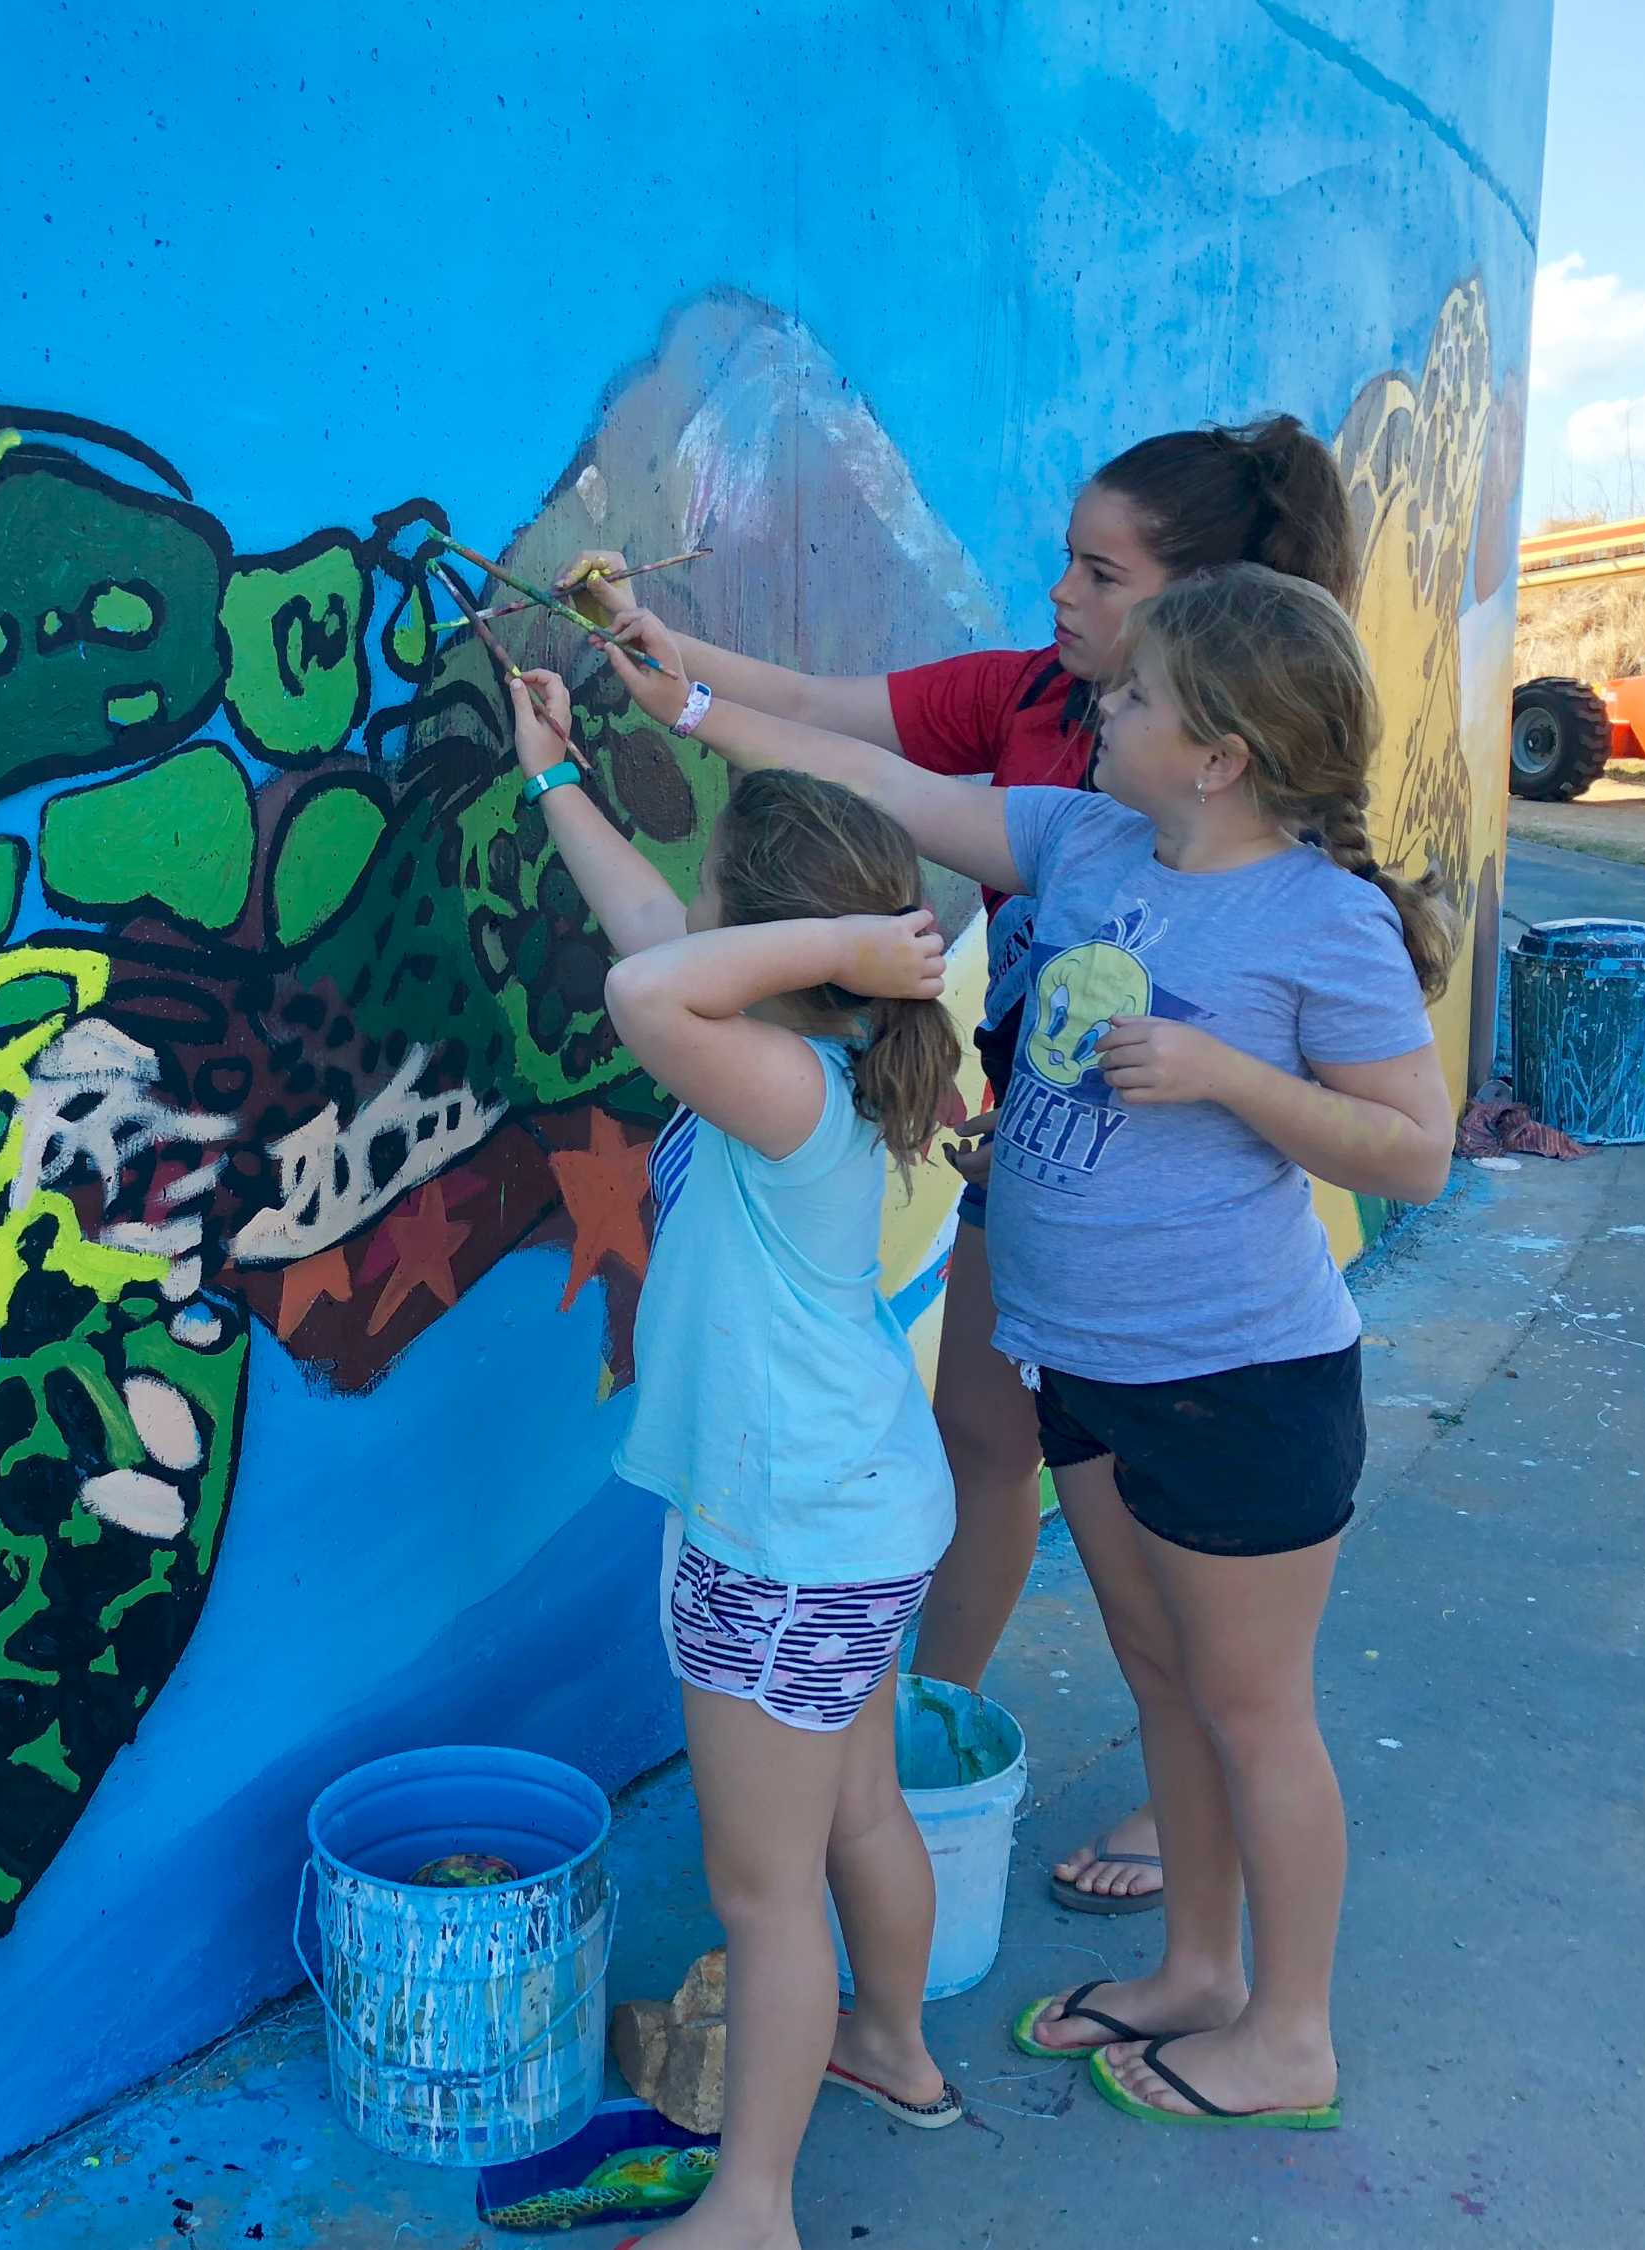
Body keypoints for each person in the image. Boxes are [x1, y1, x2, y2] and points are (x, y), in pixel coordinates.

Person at [584, 564, 1456, 2127]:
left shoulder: (1321, 922)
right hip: (1090, 1359)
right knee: (1159, 1680)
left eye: (1135, 696)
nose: (1098, 704)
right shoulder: (1085, 838)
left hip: (1242, 1378)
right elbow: (875, 780)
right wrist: (689, 702)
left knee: (1256, 1708)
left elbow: (1411, 1150)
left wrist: (1223, 1074)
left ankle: (1290, 2029)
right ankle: (1197, 1965)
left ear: (1223, 755)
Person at [563, 414, 1359, 1916]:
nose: (1057, 594)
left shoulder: (1273, 859)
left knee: (1212, 1640)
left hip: (1193, 1304)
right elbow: (832, 730)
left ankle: (1202, 1860)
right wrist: (682, 683)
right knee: (1005, 1466)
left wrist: (1200, 1082)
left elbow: (1384, 1120)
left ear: (1205, 636)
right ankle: (925, 1727)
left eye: (1097, 570)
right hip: (1037, 1197)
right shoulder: (1056, 758)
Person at [498, 666, 963, 2246]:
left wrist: (832, 946)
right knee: (859, 1814)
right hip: (864, 1502)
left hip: (784, 1534)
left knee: (767, 1888)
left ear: (783, 939)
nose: (689, 908)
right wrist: (554, 778)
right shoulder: (810, 1061)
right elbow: (657, 948)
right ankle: (893, 2048)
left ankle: (750, 2205)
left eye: (722, 897)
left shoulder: (782, 1083)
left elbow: (648, 991)